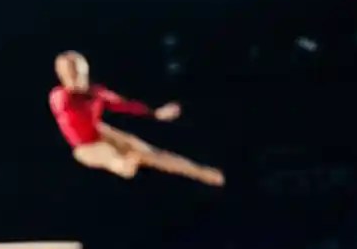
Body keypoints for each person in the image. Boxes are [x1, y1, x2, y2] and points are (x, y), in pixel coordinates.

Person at [48, 51, 225, 186]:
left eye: (76, 73)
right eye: (67, 75)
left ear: (84, 72)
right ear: (61, 77)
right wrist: (81, 91)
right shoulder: (60, 96)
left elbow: (124, 105)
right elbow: (63, 105)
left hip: (101, 131)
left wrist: (154, 113)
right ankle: (126, 164)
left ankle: (204, 174)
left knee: (153, 154)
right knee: (114, 158)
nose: (74, 79)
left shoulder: (97, 92)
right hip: (84, 147)